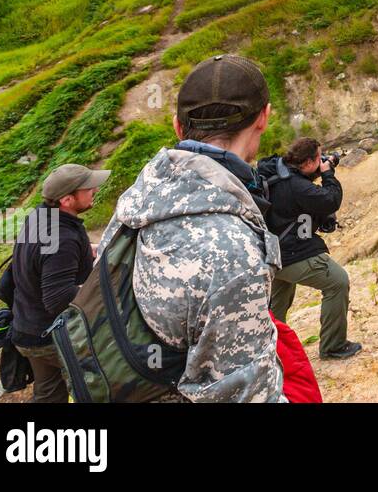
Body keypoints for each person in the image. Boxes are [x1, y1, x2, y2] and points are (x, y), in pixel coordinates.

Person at [95, 53, 285, 402]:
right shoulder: (231, 251)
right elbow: (246, 396)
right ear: (264, 117)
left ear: (178, 127)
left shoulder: (138, 200)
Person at [8, 163, 109, 402]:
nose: (94, 189)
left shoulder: (40, 216)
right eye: (87, 188)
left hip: (27, 328)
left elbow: (44, 260)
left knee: (48, 395)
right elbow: (58, 297)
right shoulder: (63, 238)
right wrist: (104, 288)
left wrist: (94, 251)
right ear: (66, 200)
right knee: (109, 377)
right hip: (50, 336)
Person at [259, 138, 360, 360]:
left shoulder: (276, 170)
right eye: (318, 157)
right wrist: (328, 174)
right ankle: (333, 346)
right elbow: (330, 200)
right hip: (293, 253)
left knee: (278, 303)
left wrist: (318, 169)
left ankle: (270, 354)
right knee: (338, 282)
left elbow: (298, 186)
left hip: (272, 253)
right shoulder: (298, 187)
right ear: (307, 162)